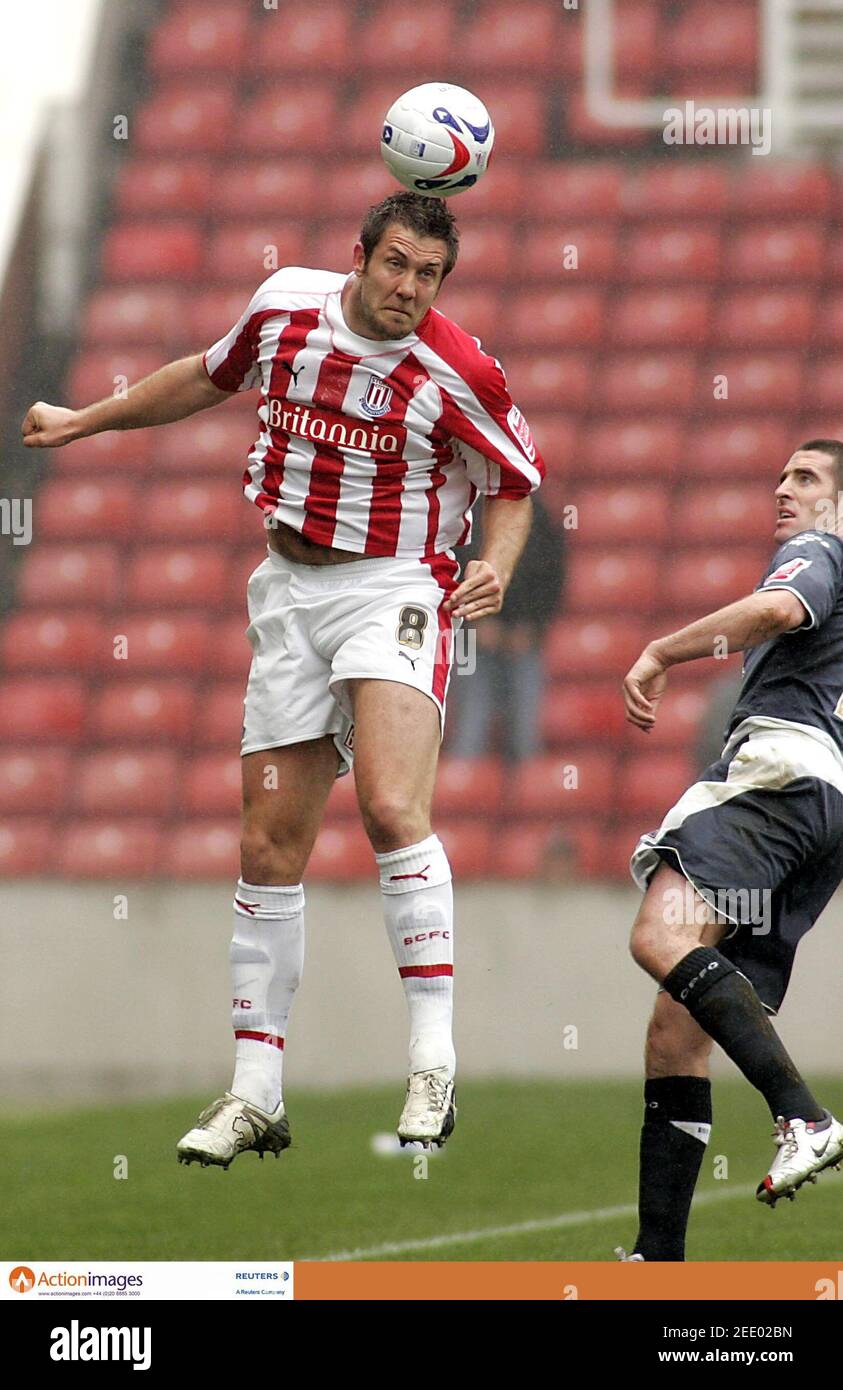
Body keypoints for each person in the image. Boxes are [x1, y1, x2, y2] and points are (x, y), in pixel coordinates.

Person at [22, 192, 544, 1167]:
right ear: (360, 255)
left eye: (427, 275)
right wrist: (84, 421)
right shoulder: (286, 309)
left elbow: (516, 478)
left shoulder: (456, 366)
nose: (406, 288)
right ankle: (256, 1089)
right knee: (267, 844)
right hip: (289, 594)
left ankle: (433, 1058)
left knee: (393, 806)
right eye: (395, 264)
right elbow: (207, 375)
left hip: (395, 586)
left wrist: (501, 568)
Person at [617, 439, 843, 1260]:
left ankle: (804, 1116)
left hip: (777, 777)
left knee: (657, 938)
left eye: (806, 477)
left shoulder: (820, 548)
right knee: (676, 1031)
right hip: (825, 817)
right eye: (781, 475)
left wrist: (661, 651)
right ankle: (658, 1262)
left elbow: (777, 611)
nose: (783, 489)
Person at [449, 492, 565, 763]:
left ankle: (527, 799)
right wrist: (472, 622)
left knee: (525, 733)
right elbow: (448, 570)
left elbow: (554, 574)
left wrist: (532, 627)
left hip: (524, 639)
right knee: (469, 729)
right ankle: (463, 795)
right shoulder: (463, 510)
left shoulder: (540, 514)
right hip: (469, 638)